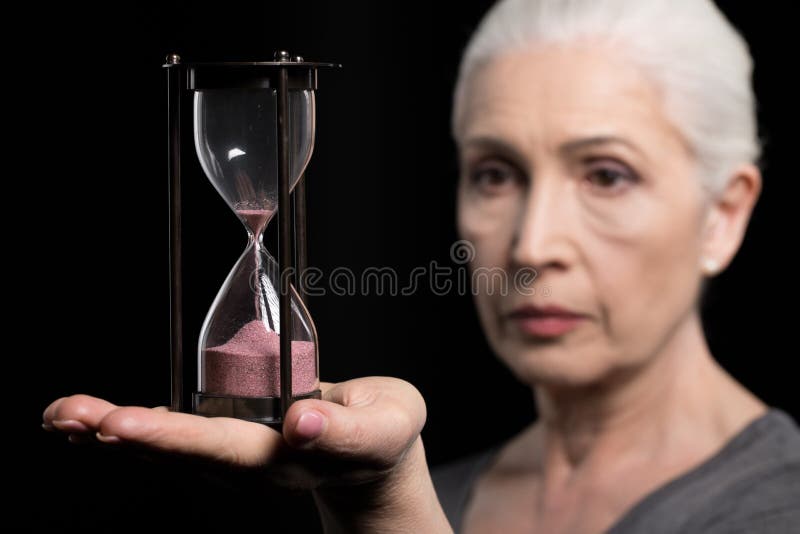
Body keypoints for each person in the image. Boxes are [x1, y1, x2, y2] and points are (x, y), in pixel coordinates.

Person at [43, 0, 799, 532]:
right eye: (495, 174)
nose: (532, 246)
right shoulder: (450, 487)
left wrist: (386, 511)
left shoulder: (781, 503)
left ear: (723, 215)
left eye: (606, 174)